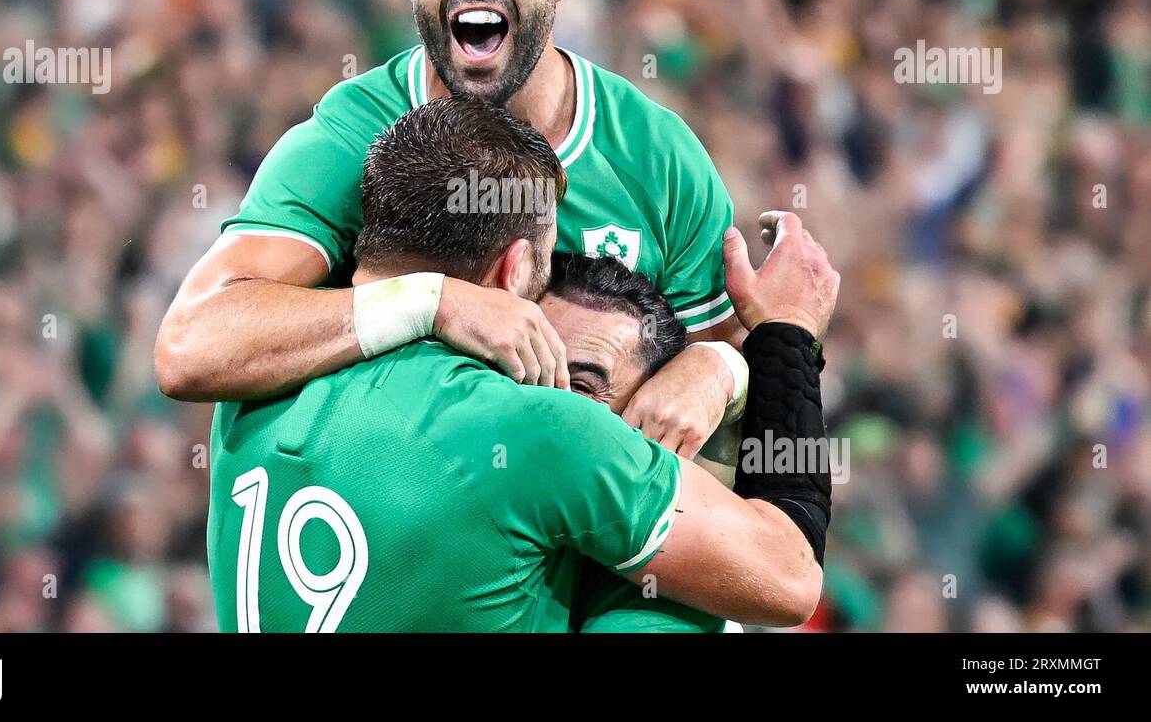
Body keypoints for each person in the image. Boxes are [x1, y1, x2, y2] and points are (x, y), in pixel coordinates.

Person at [158, 0, 746, 459]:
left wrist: (720, 370)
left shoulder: (656, 158)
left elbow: (740, 397)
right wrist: (429, 304)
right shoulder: (354, 135)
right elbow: (190, 344)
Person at [206, 98, 838, 631]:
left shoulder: (248, 384)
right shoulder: (536, 431)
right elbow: (786, 578)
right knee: (670, 599)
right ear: (512, 271)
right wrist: (787, 337)